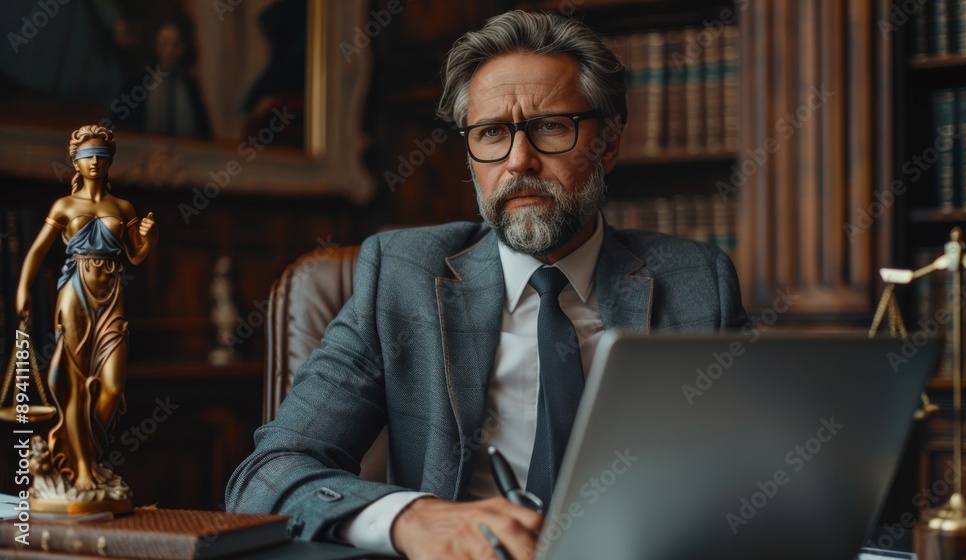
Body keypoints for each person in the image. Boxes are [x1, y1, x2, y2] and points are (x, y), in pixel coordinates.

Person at [226, 10, 747, 559]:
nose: (519, 161)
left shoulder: (697, 286)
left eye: (551, 126)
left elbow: (754, 477)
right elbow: (268, 475)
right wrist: (414, 519)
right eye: (492, 133)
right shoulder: (399, 279)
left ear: (609, 143)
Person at [16, 125, 158, 497]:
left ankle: (83, 453)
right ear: (76, 162)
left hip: (112, 297)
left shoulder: (122, 208)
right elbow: (36, 251)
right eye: (86, 156)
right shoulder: (64, 206)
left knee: (111, 386)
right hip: (75, 292)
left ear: (110, 161)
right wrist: (23, 289)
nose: (94, 161)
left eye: (101, 155)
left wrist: (149, 238)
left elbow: (136, 254)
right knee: (76, 382)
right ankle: (81, 467)